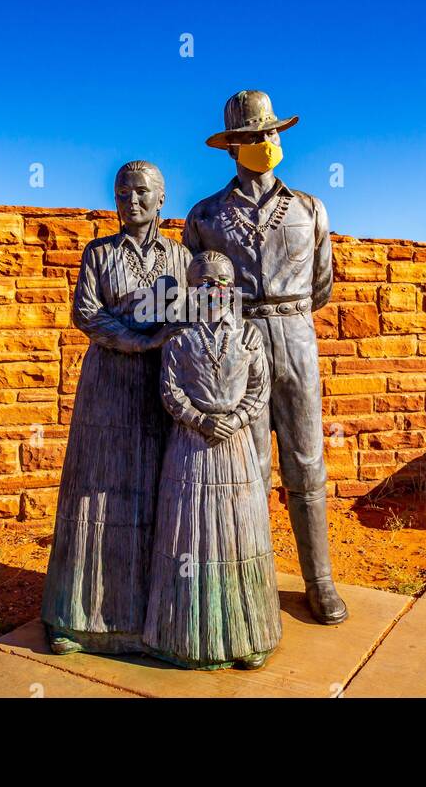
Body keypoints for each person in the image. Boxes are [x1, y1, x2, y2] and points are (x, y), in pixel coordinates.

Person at [183, 90, 348, 624]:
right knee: (246, 466)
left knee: (307, 461)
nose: (267, 142)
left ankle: (318, 581)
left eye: (272, 133)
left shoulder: (309, 208)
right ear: (233, 146)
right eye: (255, 136)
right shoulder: (206, 215)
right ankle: (252, 581)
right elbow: (192, 287)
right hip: (238, 339)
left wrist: (288, 315)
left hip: (296, 334)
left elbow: (321, 285)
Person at [40, 160, 192, 655]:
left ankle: (150, 616)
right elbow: (87, 311)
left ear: (161, 199)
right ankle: (78, 617)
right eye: (122, 191)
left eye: (142, 192)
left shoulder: (179, 256)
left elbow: (192, 312)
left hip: (160, 385)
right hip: (108, 383)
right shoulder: (98, 253)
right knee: (95, 493)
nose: (131, 200)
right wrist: (137, 341)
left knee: (152, 490)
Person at [143, 251, 281, 670]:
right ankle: (185, 638)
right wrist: (199, 420)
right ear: (191, 290)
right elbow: (170, 391)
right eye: (203, 282)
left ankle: (249, 633)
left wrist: (235, 419)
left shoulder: (249, 337)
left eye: (222, 282)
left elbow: (260, 389)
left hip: (235, 448)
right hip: (190, 449)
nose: (214, 290)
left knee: (240, 532)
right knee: (190, 532)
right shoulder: (179, 340)